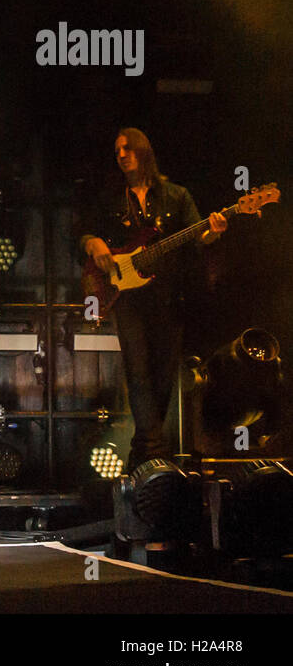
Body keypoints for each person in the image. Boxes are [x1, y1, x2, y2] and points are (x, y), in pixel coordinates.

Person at [78, 128, 226, 471]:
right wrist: (92, 243)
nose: (121, 154)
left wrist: (212, 232)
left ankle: (145, 451)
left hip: (169, 296)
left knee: (163, 375)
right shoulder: (110, 198)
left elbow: (198, 235)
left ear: (143, 151)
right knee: (138, 372)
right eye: (117, 150)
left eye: (128, 148)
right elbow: (83, 232)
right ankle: (154, 452)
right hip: (128, 296)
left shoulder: (176, 196)